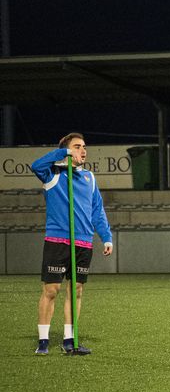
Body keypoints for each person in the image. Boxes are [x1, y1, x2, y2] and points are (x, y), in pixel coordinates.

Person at [30, 133, 113, 356]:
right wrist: (64, 154)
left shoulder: (89, 177)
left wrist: (106, 236)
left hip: (83, 242)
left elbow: (97, 210)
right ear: (67, 151)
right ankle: (43, 342)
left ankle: (69, 340)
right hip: (58, 240)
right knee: (51, 290)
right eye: (77, 147)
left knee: (76, 290)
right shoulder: (53, 174)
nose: (83, 150)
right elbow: (35, 165)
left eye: (84, 146)